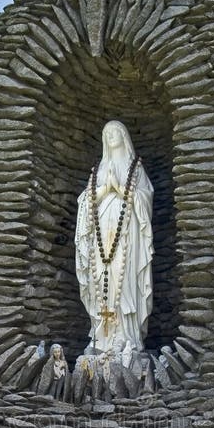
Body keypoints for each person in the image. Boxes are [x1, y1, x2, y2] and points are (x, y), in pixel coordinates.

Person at [75, 120, 154, 354]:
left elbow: (145, 197)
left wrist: (119, 190)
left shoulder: (135, 167)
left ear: (124, 136)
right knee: (100, 278)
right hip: (100, 236)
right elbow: (84, 201)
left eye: (115, 131)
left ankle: (126, 335)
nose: (110, 135)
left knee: (125, 279)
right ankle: (101, 336)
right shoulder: (98, 170)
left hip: (126, 235)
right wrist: (102, 191)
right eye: (106, 133)